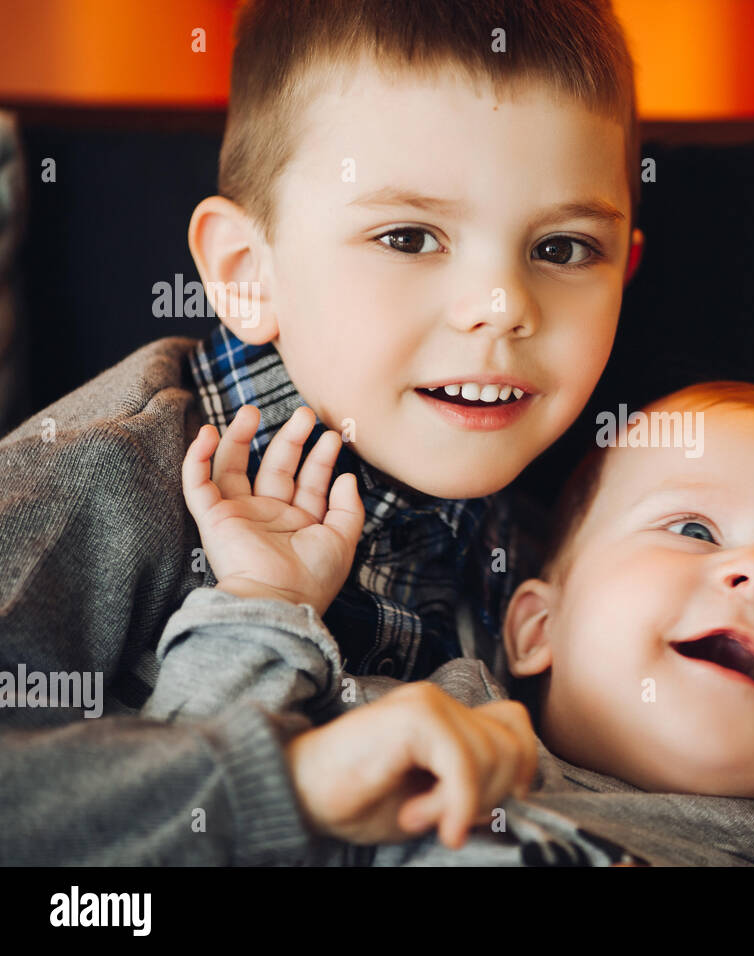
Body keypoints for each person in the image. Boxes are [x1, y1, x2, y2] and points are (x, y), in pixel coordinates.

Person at [0, 0, 643, 864]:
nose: (502, 309)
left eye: (563, 249)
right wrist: (293, 782)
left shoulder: (548, 546)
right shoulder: (99, 479)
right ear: (246, 274)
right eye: (410, 237)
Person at [143, 381, 754, 865]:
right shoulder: (424, 725)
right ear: (538, 628)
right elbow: (166, 821)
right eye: (695, 531)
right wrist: (264, 599)